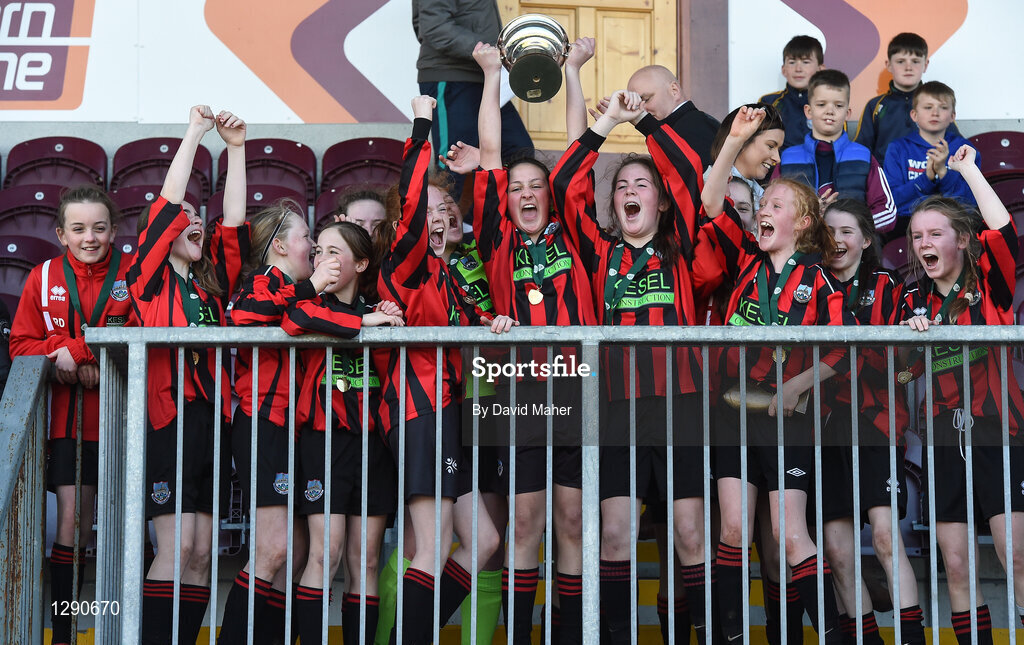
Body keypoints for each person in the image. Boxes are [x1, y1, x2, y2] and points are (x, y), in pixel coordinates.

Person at [552, 80, 713, 642]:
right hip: (615, 408)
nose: (631, 191)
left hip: (680, 403)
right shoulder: (597, 250)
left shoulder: (681, 245)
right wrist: (604, 128)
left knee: (691, 535)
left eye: (642, 184)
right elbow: (562, 184)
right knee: (615, 535)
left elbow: (692, 175)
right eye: (622, 185)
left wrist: (645, 125)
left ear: (660, 200)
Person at [697, 106, 855, 643]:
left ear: (804, 222)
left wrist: (796, 385)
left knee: (789, 536)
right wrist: (735, 140)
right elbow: (712, 201)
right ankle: (729, 636)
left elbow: (843, 351)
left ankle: (832, 633)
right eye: (763, 202)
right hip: (733, 413)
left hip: (790, 422)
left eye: (777, 204)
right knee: (735, 530)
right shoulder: (745, 258)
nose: (764, 208)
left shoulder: (821, 280)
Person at [467, 42, 596, 645]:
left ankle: (568, 635)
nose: (523, 193)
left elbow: (576, 156)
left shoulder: (578, 237)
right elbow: (490, 150)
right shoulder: (497, 242)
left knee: (571, 520)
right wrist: (493, 76)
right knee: (523, 522)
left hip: (576, 397)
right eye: (515, 186)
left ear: (549, 194)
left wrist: (571, 72)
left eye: (534, 185)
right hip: (517, 399)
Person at [375, 94, 516, 645]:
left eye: (446, 209)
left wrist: (496, 323)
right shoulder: (404, 266)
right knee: (430, 547)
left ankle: (413, 632)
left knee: (481, 541)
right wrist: (421, 126)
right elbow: (410, 206)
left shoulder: (453, 273)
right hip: (417, 405)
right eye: (431, 209)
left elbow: (481, 317)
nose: (441, 216)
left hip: (451, 410)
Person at [129, 106, 249, 644]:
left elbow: (236, 223)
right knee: (176, 550)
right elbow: (167, 205)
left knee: (202, 555)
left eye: (198, 217)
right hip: (167, 418)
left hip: (210, 420)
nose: (193, 221)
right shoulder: (148, 280)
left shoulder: (208, 287)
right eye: (185, 220)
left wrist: (238, 148)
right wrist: (196, 134)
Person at [899, 144, 1024, 645]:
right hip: (942, 440)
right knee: (955, 562)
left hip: (999, 433)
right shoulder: (912, 299)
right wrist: (907, 336)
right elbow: (902, 375)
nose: (923, 243)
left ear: (962, 241)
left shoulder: (987, 282)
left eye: (935, 234)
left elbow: (1004, 233)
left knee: (1014, 552)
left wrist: (969, 170)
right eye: (916, 237)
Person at [9, 185, 132, 645]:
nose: (90, 237)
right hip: (68, 422)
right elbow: (20, 345)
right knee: (72, 524)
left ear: (114, 230)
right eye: (78, 228)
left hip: (126, 421)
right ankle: (66, 630)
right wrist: (57, 356)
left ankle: (118, 625)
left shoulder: (134, 274)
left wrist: (77, 352)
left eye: (99, 228)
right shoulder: (42, 277)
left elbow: (144, 330)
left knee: (127, 525)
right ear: (62, 233)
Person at [219, 200, 341, 643]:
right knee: (273, 549)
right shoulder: (263, 282)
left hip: (298, 426)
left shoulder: (303, 287)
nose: (312, 244)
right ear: (278, 245)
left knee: (294, 553)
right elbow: (247, 315)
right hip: (264, 421)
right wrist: (309, 288)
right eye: (306, 236)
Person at [282, 221, 403, 645]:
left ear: (362, 262)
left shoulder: (380, 306)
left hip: (373, 444)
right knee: (324, 553)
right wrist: (366, 323)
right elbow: (294, 317)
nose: (322, 260)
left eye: (334, 252)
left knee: (365, 561)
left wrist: (382, 315)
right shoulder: (313, 301)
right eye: (319, 251)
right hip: (323, 439)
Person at [820, 198, 924, 644]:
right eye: (829, 231)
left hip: (876, 424)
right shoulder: (811, 282)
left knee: (884, 538)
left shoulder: (889, 287)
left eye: (847, 231)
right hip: (821, 426)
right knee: (839, 553)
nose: (837, 240)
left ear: (865, 239)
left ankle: (911, 638)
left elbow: (911, 362)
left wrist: (900, 367)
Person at [412, 0, 534, 201]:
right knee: (453, 164)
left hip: (484, 76)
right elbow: (434, 29)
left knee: (518, 150)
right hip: (452, 77)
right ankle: (452, 230)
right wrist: (492, 51)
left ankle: (507, 225)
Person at [774, 69, 897, 237]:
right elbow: (771, 211)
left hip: (852, 257)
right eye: (821, 104)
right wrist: (809, 218)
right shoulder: (788, 159)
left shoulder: (864, 156)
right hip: (801, 253)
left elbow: (888, 212)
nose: (830, 111)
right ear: (808, 111)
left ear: (847, 113)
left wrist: (851, 229)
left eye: (838, 105)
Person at [883, 81, 979, 226]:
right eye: (928, 107)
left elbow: (969, 205)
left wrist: (943, 172)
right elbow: (892, 203)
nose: (935, 113)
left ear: (953, 116)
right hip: (908, 224)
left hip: (953, 224)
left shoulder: (965, 149)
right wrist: (927, 178)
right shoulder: (897, 148)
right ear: (914, 115)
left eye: (943, 107)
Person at [855, 32, 960, 163]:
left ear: (925, 65)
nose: (908, 67)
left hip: (930, 178)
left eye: (915, 61)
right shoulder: (875, 106)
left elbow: (957, 145)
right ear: (889, 65)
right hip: (887, 179)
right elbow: (860, 150)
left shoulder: (938, 105)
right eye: (900, 62)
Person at [621, 65, 721, 170]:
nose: (641, 109)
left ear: (674, 90)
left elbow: (692, 181)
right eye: (636, 105)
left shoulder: (694, 126)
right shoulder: (693, 122)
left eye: (646, 99)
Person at [759, 35, 825, 150]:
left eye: (805, 62)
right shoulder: (769, 103)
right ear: (784, 70)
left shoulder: (829, 104)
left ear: (820, 69)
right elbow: (760, 145)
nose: (798, 69)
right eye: (792, 62)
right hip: (780, 165)